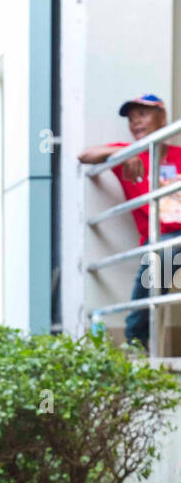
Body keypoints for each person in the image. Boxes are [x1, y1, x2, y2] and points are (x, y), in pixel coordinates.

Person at [78, 93, 181, 347]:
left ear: (162, 118)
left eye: (142, 115)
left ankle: (136, 337)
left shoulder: (178, 154)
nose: (135, 122)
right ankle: (136, 340)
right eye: (131, 118)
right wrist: (124, 153)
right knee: (164, 254)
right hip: (163, 241)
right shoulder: (127, 156)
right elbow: (85, 155)